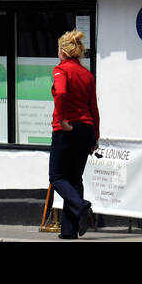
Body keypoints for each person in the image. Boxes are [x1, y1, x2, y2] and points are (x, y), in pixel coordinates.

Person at [49, 29, 99, 239]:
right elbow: (93, 107)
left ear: (63, 51)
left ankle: (82, 206)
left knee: (57, 176)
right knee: (74, 178)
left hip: (66, 128)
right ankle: (69, 231)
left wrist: (61, 120)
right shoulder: (87, 75)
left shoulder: (61, 70)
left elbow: (60, 92)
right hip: (86, 128)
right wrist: (95, 136)